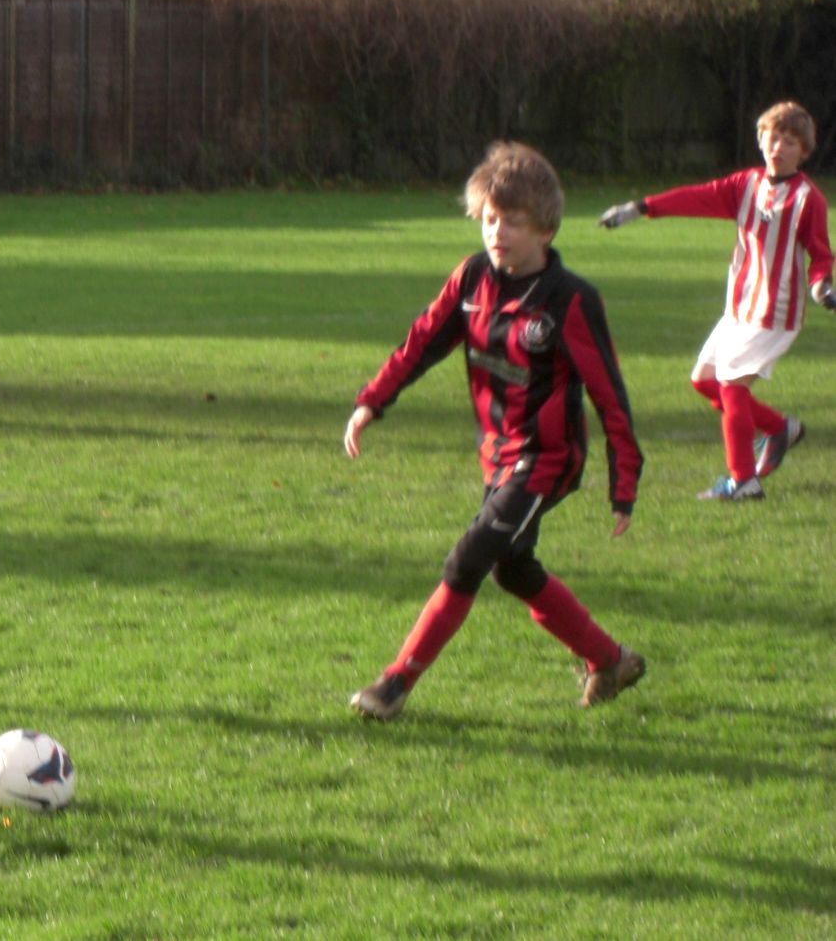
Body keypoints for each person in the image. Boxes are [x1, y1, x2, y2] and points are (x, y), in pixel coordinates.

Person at [344, 141, 646, 721]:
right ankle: (610, 661)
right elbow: (420, 343)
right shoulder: (472, 279)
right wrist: (371, 402)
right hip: (498, 455)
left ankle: (394, 684)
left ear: (546, 229)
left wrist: (623, 483)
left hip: (548, 460)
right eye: (488, 218)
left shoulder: (571, 300)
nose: (496, 231)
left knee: (467, 560)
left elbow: (611, 397)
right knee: (514, 569)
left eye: (512, 220)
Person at [599, 100, 836, 501]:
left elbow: (821, 254)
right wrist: (638, 209)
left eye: (790, 142)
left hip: (774, 312)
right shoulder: (746, 184)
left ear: (804, 151)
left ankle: (743, 481)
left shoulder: (806, 199)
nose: (779, 146)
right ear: (761, 138)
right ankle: (780, 429)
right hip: (739, 308)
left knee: (730, 387)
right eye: (773, 137)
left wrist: (821, 286)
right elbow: (695, 197)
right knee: (705, 381)